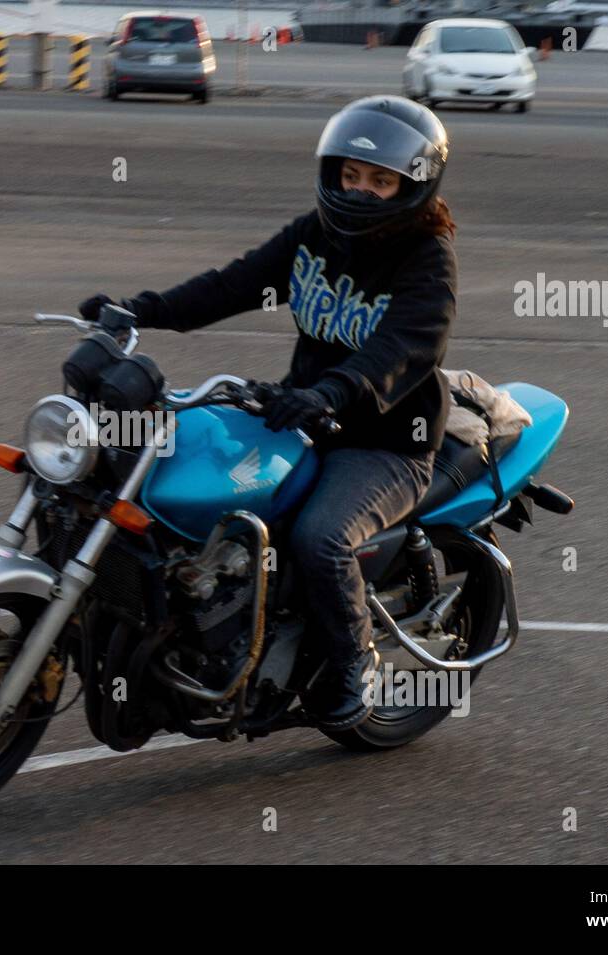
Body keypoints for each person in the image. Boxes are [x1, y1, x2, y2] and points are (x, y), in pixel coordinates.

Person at [79, 96, 457, 730]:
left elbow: (403, 348)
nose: (361, 191)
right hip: (302, 417)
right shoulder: (316, 235)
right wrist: (138, 311)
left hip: (386, 441)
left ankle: (354, 665)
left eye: (381, 181)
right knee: (182, 486)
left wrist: (331, 392)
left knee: (319, 538)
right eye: (352, 176)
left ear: (411, 188)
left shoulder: (426, 262)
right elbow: (234, 283)